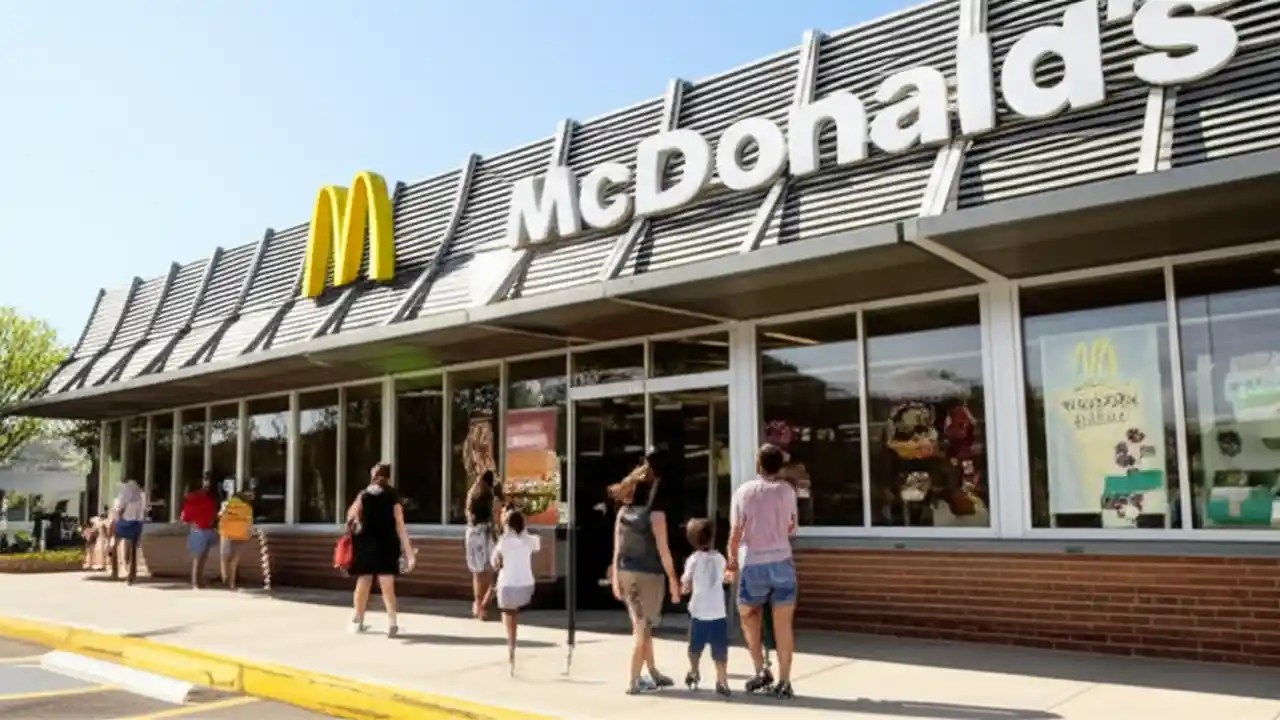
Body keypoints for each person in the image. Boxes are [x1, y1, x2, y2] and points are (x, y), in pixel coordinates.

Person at [727, 444, 799, 699]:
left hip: (753, 561)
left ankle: (760, 668)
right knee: (783, 625)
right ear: (779, 466)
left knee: (748, 614)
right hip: (782, 560)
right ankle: (785, 680)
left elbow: (736, 531)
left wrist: (731, 561)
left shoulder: (744, 491)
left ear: (758, 464)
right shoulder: (788, 491)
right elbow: (792, 528)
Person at [610, 463, 681, 695]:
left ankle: (651, 671)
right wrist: (673, 580)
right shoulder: (656, 516)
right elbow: (664, 551)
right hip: (649, 576)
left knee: (643, 627)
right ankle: (633, 680)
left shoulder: (622, 514)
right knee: (641, 630)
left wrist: (614, 580)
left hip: (625, 573)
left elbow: (617, 550)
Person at [346, 462, 415, 637]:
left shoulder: (364, 495)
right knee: (387, 584)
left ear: (373, 476)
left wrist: (360, 523)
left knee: (363, 582)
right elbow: (400, 525)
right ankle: (392, 623)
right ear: (388, 477)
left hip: (366, 543)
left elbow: (350, 516)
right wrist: (409, 553)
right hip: (387, 544)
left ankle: (357, 620)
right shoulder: (392, 495)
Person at [681, 518, 730, 697]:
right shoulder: (720, 558)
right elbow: (726, 578)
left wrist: (685, 587)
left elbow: (686, 582)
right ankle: (722, 679)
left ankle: (694, 671)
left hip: (698, 612)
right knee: (720, 649)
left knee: (694, 647)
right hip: (718, 611)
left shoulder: (692, 560)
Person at [490, 507, 539, 676]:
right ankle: (512, 644)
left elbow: (494, 563)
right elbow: (535, 544)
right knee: (512, 612)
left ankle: (511, 647)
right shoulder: (529, 540)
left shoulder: (503, 541)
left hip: (508, 587)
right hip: (526, 587)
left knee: (508, 615)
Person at [464, 470, 498, 620]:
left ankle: (478, 604)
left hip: (472, 532)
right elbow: (495, 517)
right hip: (487, 532)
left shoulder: (473, 492)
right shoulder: (491, 495)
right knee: (491, 571)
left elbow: (468, 511)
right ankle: (484, 604)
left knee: (477, 573)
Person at [180, 473, 219, 589]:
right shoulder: (204, 498)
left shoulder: (195, 499)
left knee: (200, 557)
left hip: (200, 529)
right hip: (204, 529)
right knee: (200, 558)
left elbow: (186, 516)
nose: (206, 484)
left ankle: (198, 580)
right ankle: (196, 581)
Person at [111, 479, 147, 585]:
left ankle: (115, 570)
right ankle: (132, 575)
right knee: (133, 550)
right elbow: (144, 511)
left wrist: (115, 521)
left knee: (115, 545)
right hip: (137, 523)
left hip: (124, 522)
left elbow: (120, 509)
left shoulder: (124, 494)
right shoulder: (142, 495)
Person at [218, 490, 254, 591]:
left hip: (226, 533)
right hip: (241, 534)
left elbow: (220, 515)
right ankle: (232, 583)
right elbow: (249, 523)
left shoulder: (226, 504)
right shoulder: (247, 508)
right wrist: (249, 533)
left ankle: (224, 577)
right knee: (234, 560)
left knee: (224, 556)